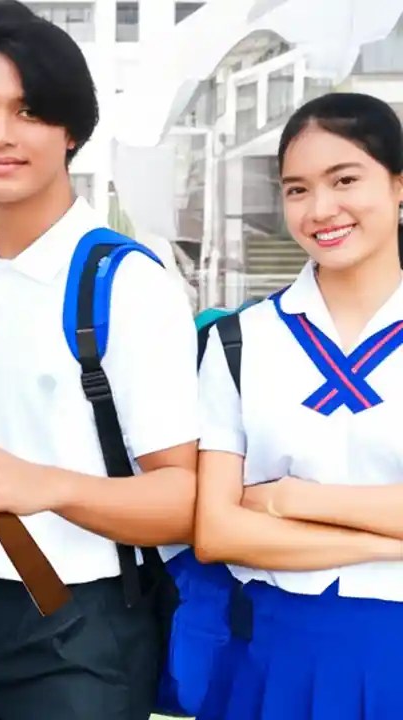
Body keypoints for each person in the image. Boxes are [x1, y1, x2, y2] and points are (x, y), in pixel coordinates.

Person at [0, 2, 199, 718]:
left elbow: (183, 501)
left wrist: (48, 485)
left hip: (80, 632)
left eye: (29, 111)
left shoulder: (128, 282)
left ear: (72, 130)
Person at [195, 92, 403, 720]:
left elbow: (248, 515)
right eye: (297, 189)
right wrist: (387, 540)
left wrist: (289, 500)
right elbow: (216, 531)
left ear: (398, 185)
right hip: (271, 658)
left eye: (345, 180)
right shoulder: (238, 340)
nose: (321, 209)